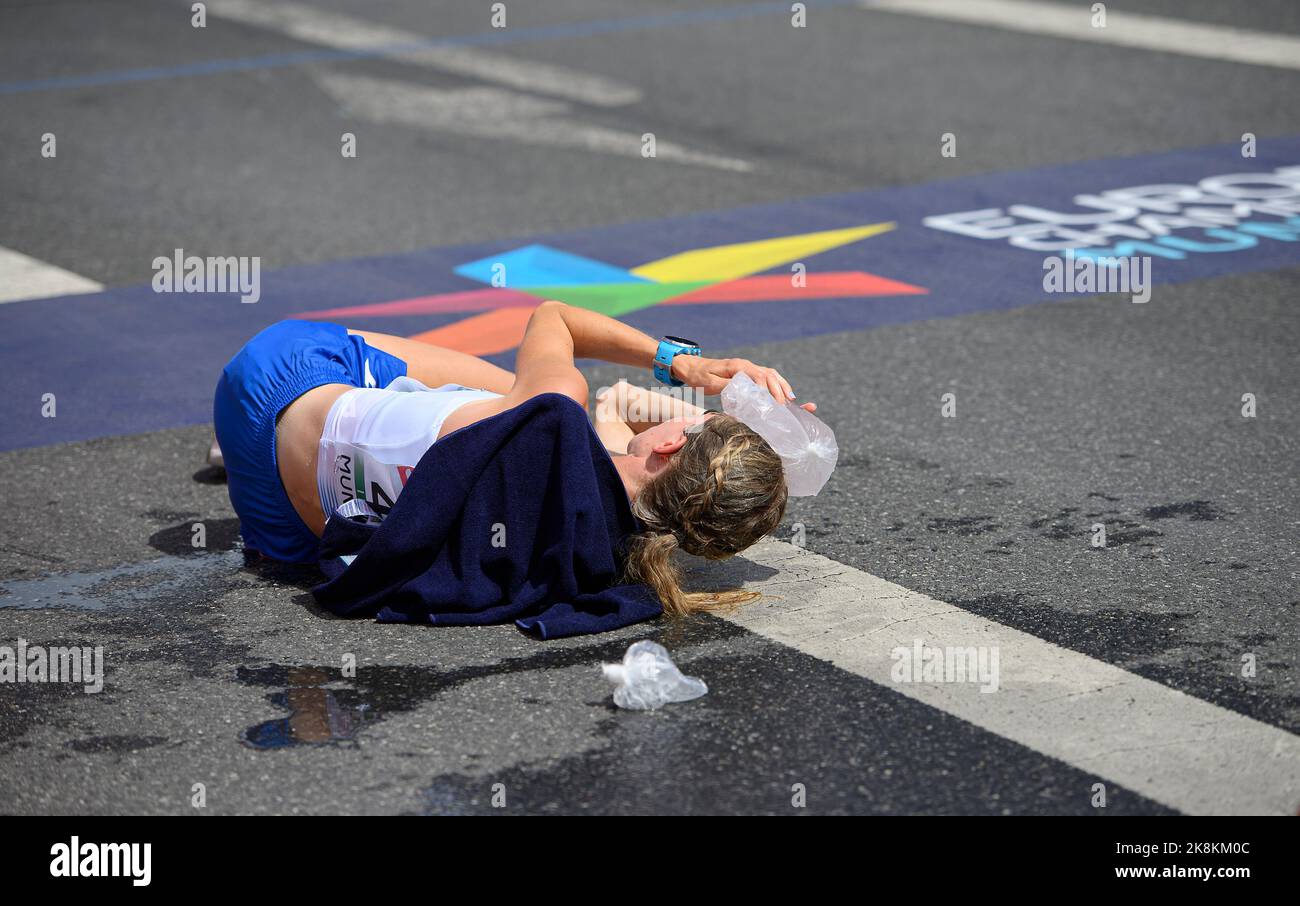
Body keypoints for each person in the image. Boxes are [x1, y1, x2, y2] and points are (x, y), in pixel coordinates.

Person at [213, 301, 818, 617]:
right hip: (285, 529)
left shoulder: (551, 410)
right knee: (537, 423)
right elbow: (623, 407)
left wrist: (682, 365)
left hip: (267, 381)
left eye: (690, 422)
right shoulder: (607, 551)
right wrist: (753, 458)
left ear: (667, 444)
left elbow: (555, 317)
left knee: (518, 399)